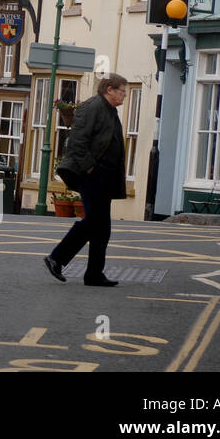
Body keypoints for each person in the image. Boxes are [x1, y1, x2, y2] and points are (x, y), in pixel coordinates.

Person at [43, 73, 129, 287]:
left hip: (105, 177)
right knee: (93, 222)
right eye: (122, 91)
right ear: (109, 89)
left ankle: (94, 274)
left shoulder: (109, 110)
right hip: (93, 175)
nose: (124, 96)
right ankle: (57, 258)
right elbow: (77, 141)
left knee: (102, 228)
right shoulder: (93, 107)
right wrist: (89, 167)